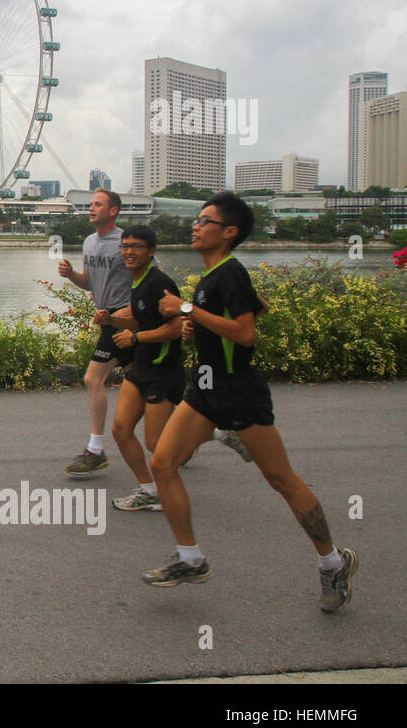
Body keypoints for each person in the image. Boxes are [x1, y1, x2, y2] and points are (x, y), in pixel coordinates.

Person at [140, 191, 358, 612]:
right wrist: (196, 326)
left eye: (205, 221)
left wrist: (186, 307)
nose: (195, 226)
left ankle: (333, 562)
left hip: (238, 393)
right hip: (203, 391)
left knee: (280, 479)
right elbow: (259, 308)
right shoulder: (214, 275)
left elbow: (245, 334)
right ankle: (191, 559)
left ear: (229, 232)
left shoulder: (230, 272)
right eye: (197, 220)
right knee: (163, 464)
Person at [101, 225, 187, 511]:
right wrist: (112, 320)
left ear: (151, 252)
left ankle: (214, 432)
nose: (129, 251)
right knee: (120, 429)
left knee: (155, 442)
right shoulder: (137, 283)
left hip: (163, 369)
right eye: (125, 246)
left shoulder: (159, 283)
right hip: (142, 366)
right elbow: (143, 322)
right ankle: (149, 490)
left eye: (136, 246)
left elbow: (177, 327)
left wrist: (135, 338)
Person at [57, 189, 130, 476]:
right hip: (109, 321)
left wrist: (130, 313)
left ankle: (96, 450)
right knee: (150, 390)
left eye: (98, 204)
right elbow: (88, 284)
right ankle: (206, 434)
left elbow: (152, 279)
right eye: (90, 204)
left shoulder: (127, 241)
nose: (91, 208)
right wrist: (71, 274)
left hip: (127, 320)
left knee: (93, 378)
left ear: (113, 211)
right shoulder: (89, 242)